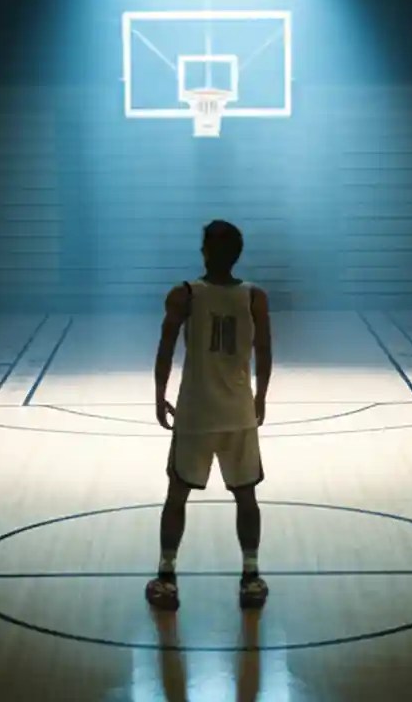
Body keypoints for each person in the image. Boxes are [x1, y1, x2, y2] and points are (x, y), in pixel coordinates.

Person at [147, 219, 272, 611]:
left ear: (204, 251)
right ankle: (250, 577)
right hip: (238, 412)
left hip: (196, 413)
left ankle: (167, 577)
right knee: (246, 496)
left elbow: (166, 348)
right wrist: (262, 396)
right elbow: (265, 353)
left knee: (177, 495)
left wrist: (158, 394)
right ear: (238, 254)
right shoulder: (255, 296)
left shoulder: (184, 294)